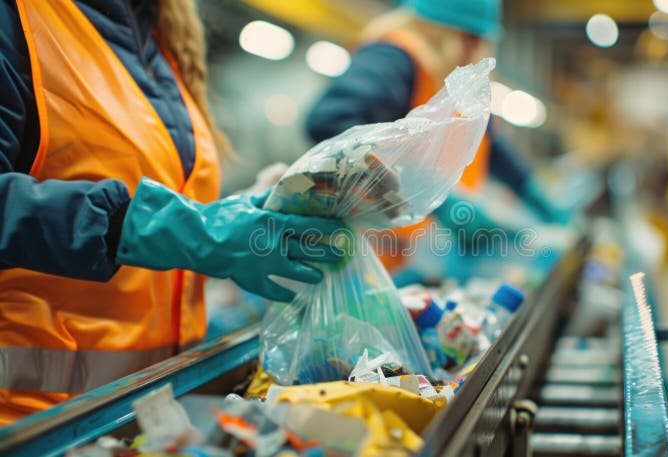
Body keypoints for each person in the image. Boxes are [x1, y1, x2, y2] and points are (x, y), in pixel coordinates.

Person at [0, 0, 343, 424]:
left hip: (150, 411)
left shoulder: (156, 36)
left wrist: (231, 218)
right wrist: (184, 230)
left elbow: (153, 205)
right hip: (32, 420)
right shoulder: (20, 19)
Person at [306, 0, 565, 271]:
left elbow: (492, 149)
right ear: (443, 31)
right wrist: (432, 195)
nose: (474, 50)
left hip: (411, 256)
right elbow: (329, 121)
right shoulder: (392, 58)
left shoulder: (444, 80)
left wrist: (539, 197)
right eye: (471, 39)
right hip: (361, 254)